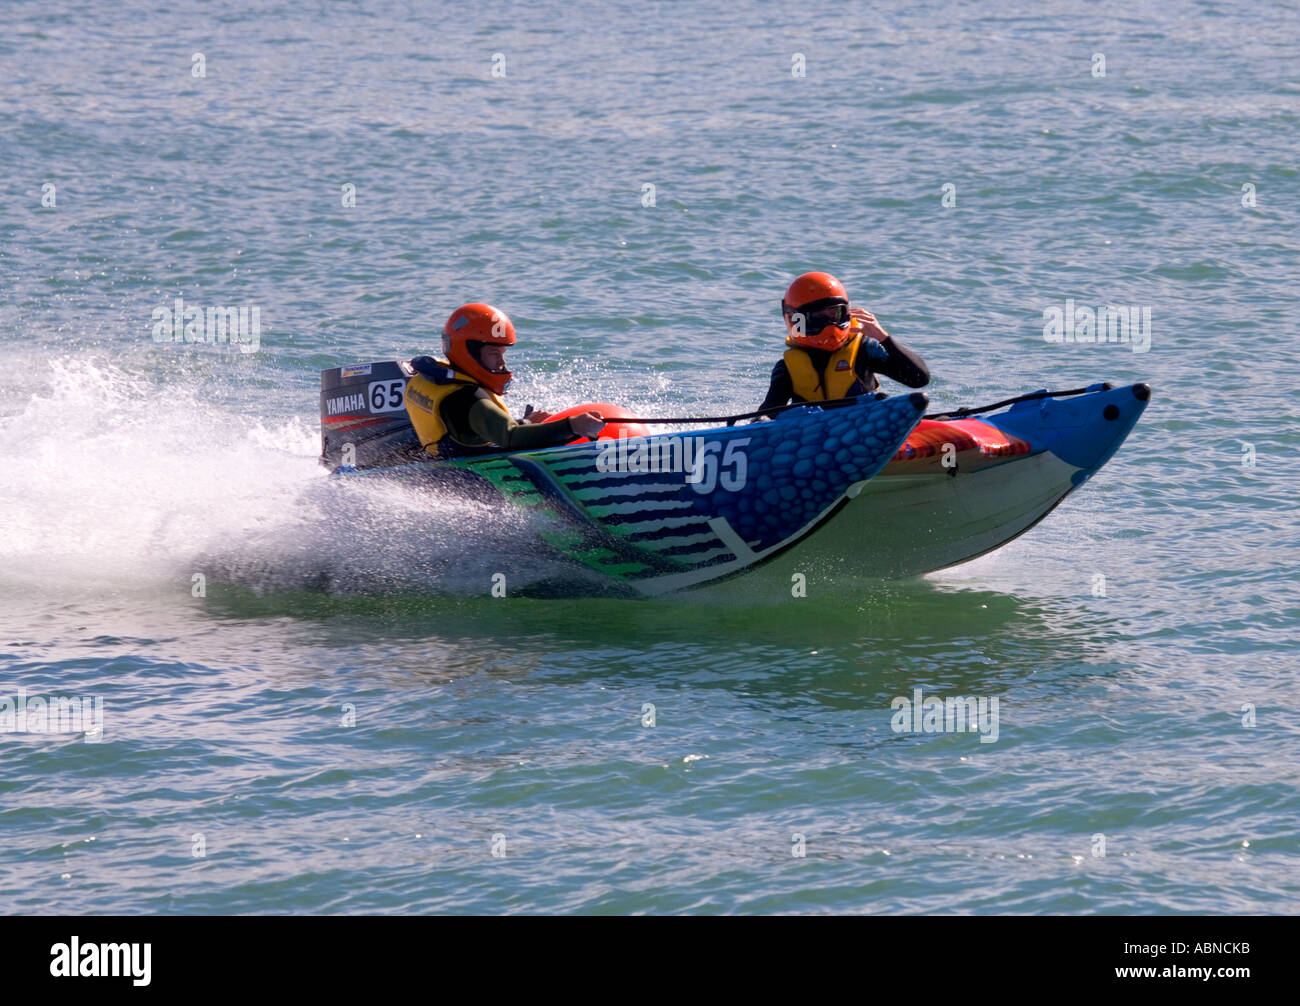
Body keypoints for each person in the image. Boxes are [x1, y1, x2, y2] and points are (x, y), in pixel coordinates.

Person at [404, 303, 605, 459]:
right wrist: (572, 426)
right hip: (468, 474)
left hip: (443, 461)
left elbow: (475, 429)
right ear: (470, 353)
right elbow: (510, 437)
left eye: (503, 352)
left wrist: (526, 423)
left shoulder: (438, 379)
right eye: (494, 353)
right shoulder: (467, 398)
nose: (502, 362)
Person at [757, 272, 929, 416]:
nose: (830, 326)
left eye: (835, 314)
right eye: (819, 317)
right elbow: (768, 414)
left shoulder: (865, 350)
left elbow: (919, 379)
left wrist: (882, 337)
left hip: (866, 429)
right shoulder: (787, 367)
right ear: (797, 320)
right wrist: (760, 421)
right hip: (815, 440)